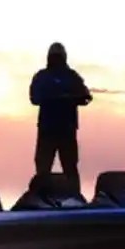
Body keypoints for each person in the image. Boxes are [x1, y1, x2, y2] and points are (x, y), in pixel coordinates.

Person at [29, 42, 92, 193]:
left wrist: (71, 97)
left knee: (69, 168)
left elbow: (86, 98)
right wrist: (57, 97)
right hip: (50, 130)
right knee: (44, 170)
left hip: (64, 130)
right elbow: (34, 98)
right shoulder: (44, 76)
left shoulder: (70, 76)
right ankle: (42, 197)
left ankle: (74, 197)